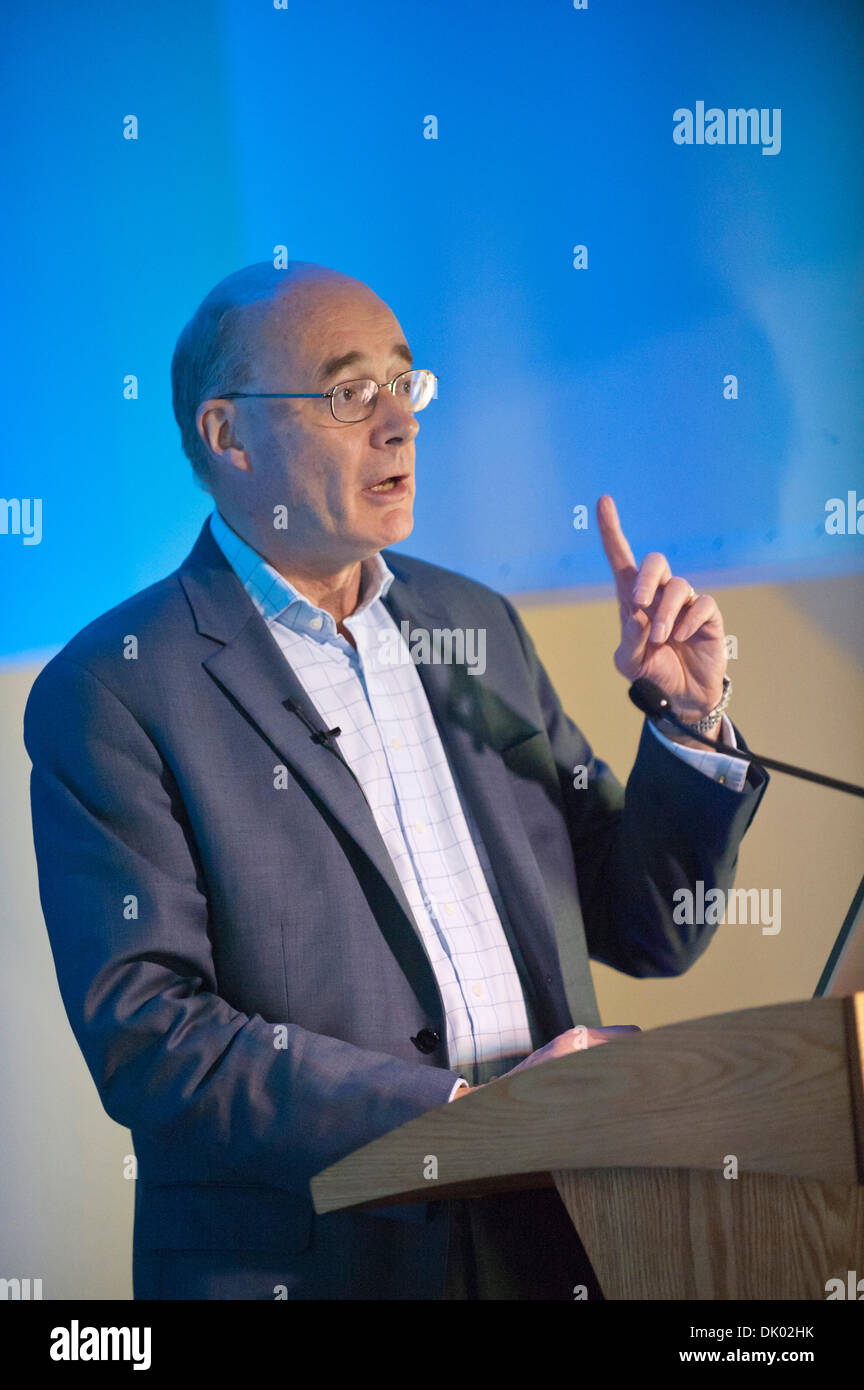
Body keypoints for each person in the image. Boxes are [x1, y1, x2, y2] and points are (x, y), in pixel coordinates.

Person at [23, 261, 767, 1300]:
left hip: (561, 1227)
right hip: (320, 1257)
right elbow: (153, 1037)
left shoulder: (478, 629)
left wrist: (690, 724)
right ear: (229, 435)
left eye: (405, 385)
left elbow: (648, 927)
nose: (399, 425)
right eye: (347, 393)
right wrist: (462, 1120)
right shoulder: (116, 688)